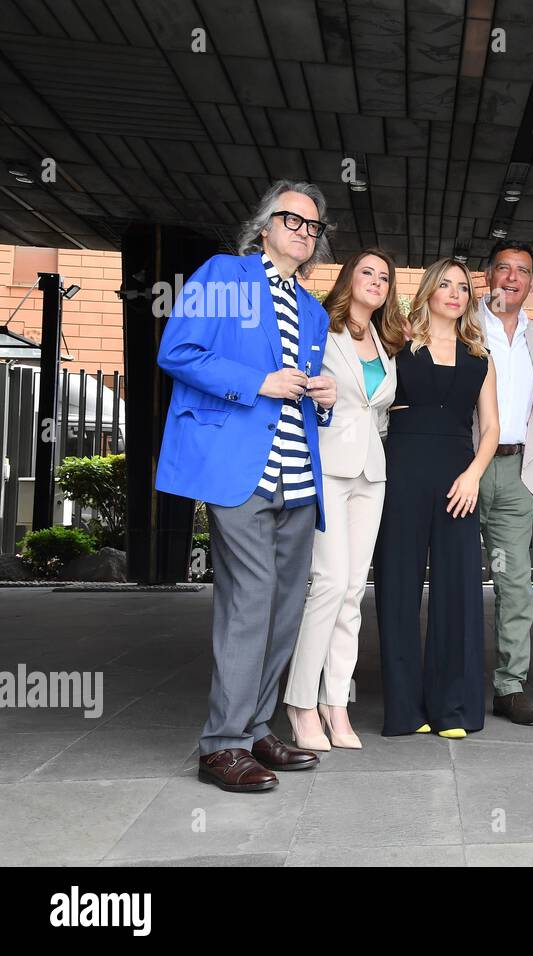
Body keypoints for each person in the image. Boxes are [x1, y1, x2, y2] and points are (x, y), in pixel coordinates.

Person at [157, 179, 338, 792]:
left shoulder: (313, 311)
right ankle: (222, 744)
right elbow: (177, 350)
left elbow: (303, 396)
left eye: (313, 227)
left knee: (285, 610)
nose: (304, 233)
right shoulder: (223, 276)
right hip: (240, 473)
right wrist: (258, 381)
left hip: (297, 479)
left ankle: (257, 729)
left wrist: (327, 398)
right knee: (249, 603)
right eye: (293, 220)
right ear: (265, 226)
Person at [283, 248, 403, 750]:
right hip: (329, 468)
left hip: (371, 474)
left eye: (383, 276)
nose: (375, 281)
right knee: (328, 584)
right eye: (366, 272)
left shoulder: (387, 340)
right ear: (348, 279)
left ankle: (337, 703)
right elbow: (304, 387)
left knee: (354, 591)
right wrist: (317, 397)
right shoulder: (321, 328)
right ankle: (300, 701)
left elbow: (380, 416)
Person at [373, 259, 499, 738]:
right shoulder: (397, 343)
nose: (454, 293)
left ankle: (453, 708)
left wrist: (473, 476)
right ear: (427, 291)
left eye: (463, 287)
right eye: (444, 284)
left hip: (458, 479)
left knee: (459, 591)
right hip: (402, 471)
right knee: (398, 588)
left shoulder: (480, 356)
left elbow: (491, 427)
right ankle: (405, 710)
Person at [477, 241, 533, 727]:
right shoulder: (464, 323)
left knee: (515, 584)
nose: (512, 277)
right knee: (453, 579)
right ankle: (452, 676)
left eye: (522, 271)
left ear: (531, 283)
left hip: (518, 471)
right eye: (504, 268)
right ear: (488, 277)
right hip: (463, 469)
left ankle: (510, 685)